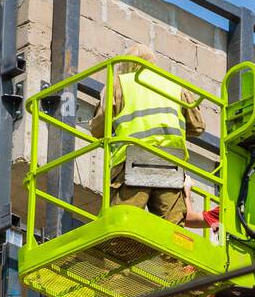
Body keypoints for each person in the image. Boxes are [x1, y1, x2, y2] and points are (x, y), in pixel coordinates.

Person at [88, 45, 205, 225]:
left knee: (123, 223)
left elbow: (98, 129)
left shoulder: (119, 83)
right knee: (172, 232)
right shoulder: (175, 85)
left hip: (134, 160)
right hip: (170, 163)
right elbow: (198, 126)